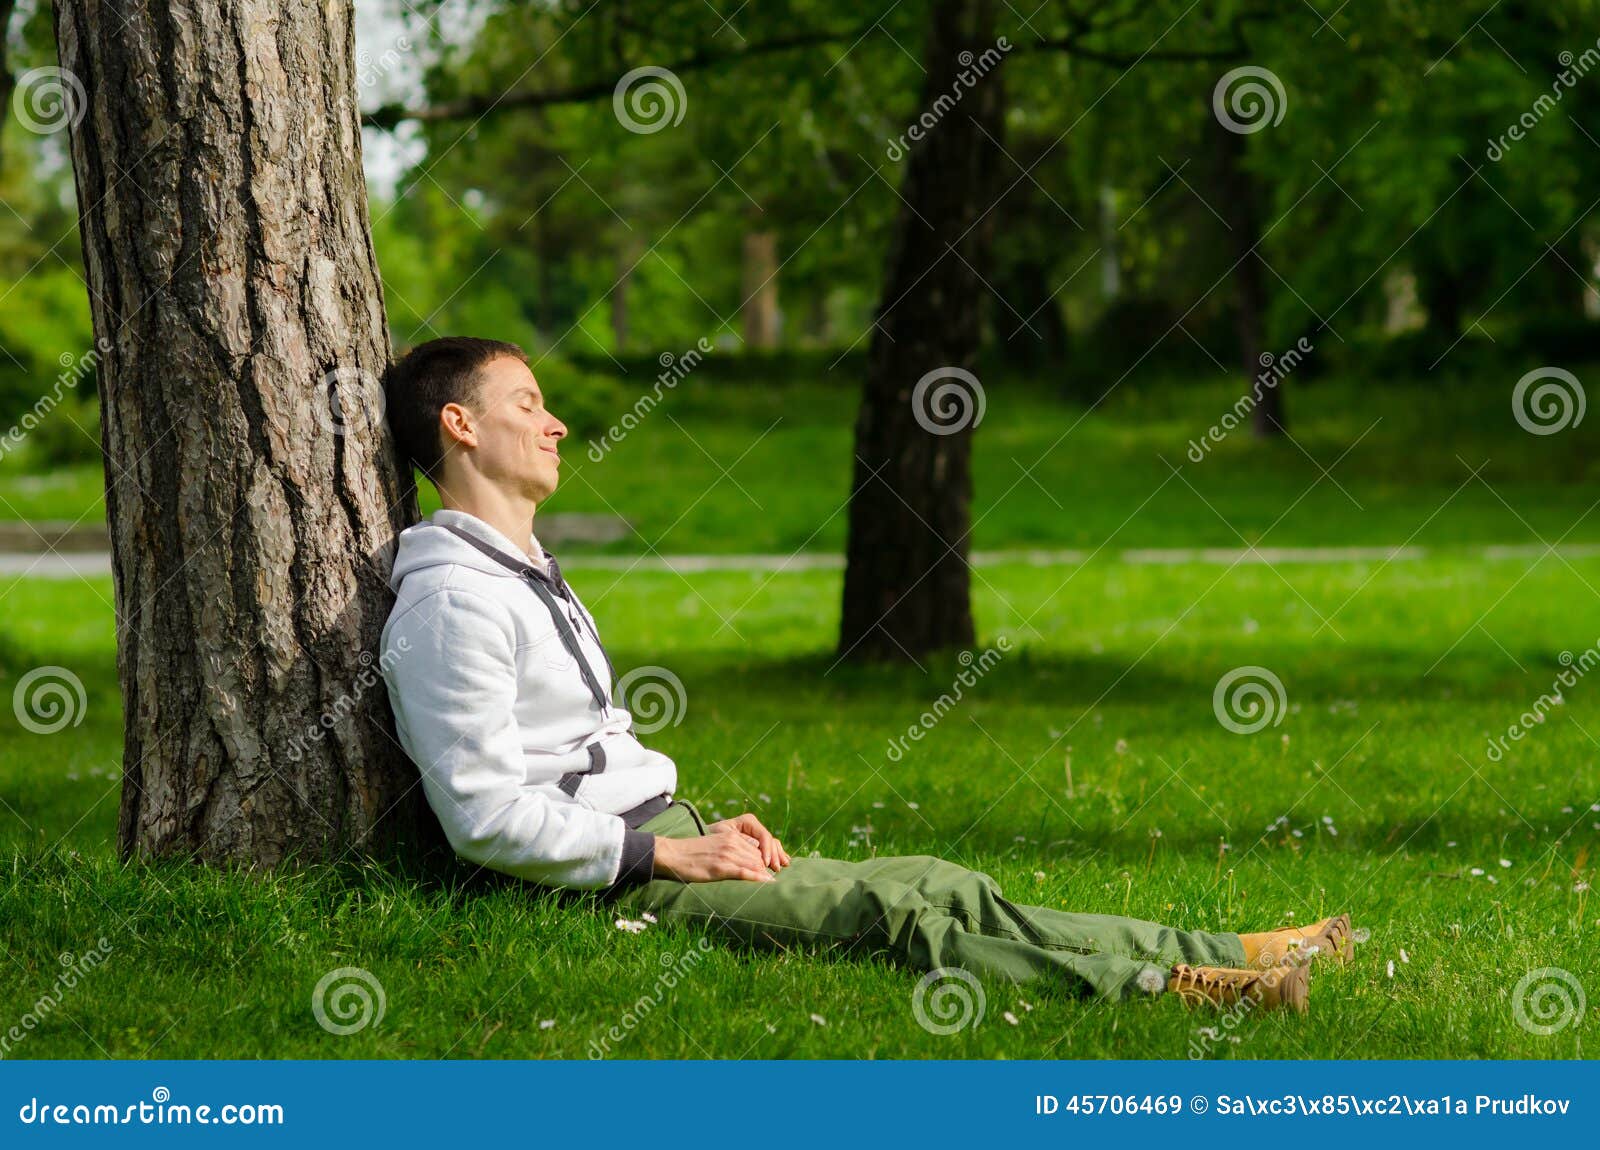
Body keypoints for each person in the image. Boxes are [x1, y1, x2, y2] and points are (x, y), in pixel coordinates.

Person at [378, 336, 1358, 1015]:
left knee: (941, 879)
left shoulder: (519, 571)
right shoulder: (450, 602)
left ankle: (1231, 950)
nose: (555, 424)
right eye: (527, 403)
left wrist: (699, 829)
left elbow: (592, 749)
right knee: (884, 914)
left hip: (662, 840)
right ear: (460, 426)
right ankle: (1183, 993)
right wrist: (659, 857)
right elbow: (481, 815)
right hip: (601, 881)